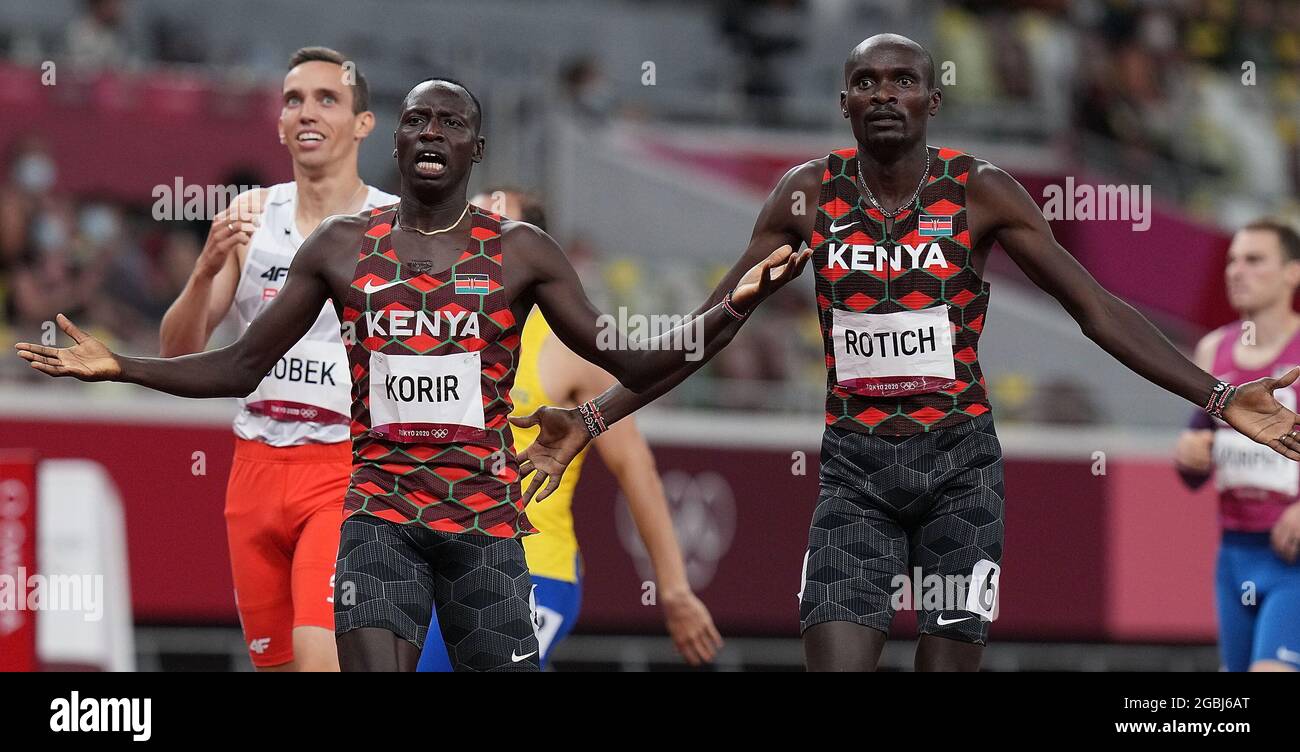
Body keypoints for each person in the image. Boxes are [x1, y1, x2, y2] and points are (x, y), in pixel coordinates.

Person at [514, 33, 1300, 672]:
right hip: (855, 472)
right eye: (866, 81)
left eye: (901, 81)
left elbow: (1092, 308)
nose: (884, 93)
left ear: (932, 98)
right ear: (843, 100)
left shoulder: (981, 191)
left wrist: (1221, 397)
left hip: (961, 472)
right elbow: (707, 330)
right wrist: (593, 414)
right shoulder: (806, 195)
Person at [15, 78, 809, 671]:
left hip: (486, 533)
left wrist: (732, 300)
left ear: (476, 148)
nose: (432, 131)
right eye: (417, 119)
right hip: (379, 525)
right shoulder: (339, 248)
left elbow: (632, 359)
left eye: (452, 121)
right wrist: (122, 364)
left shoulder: (521, 251)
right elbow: (242, 364)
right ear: (395, 143)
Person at [155, 46, 396, 672]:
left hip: (346, 469)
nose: (307, 111)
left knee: (322, 657)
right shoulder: (248, 217)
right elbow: (179, 351)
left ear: (363, 123)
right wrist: (205, 269)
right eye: (294, 100)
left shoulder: (395, 228)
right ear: (280, 123)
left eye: (327, 99)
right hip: (255, 469)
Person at [416, 187, 722, 671]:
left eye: (493, 220)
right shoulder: (430, 329)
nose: (473, 231)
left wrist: (675, 590)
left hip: (535, 567)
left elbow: (635, 468)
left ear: (529, 245)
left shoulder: (566, 344)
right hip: (438, 556)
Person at [1174, 219, 1300, 672]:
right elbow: (1197, 453)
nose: (1236, 271)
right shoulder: (1213, 351)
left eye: (1254, 260)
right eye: (1231, 260)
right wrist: (1188, 456)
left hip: (1293, 560)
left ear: (1293, 272)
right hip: (1233, 557)